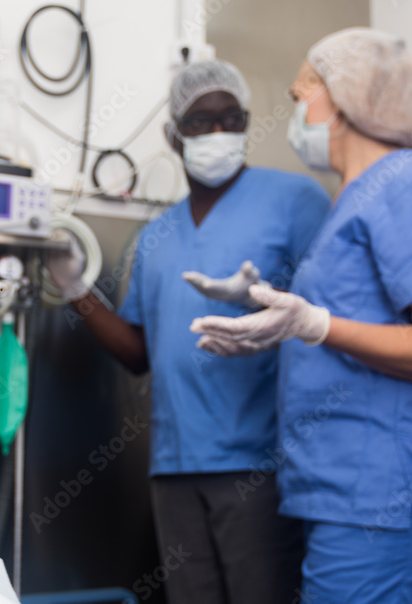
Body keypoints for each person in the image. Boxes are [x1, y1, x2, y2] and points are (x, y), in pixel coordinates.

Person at [190, 28, 412, 603]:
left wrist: (313, 324)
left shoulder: (410, 184)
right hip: (344, 495)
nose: (296, 108)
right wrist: (268, 312)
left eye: (303, 94)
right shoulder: (355, 197)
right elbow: (357, 319)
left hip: (386, 499)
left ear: (346, 97)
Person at [47, 60, 331, 604]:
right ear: (173, 136)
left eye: (233, 118)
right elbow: (137, 353)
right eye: (202, 122)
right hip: (174, 468)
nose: (219, 133)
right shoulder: (156, 237)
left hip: (261, 463)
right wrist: (74, 286)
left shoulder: (296, 202)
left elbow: (335, 318)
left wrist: (267, 307)